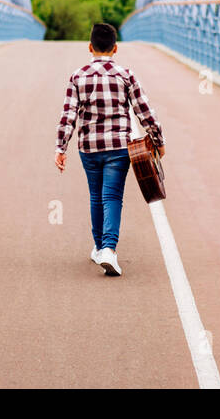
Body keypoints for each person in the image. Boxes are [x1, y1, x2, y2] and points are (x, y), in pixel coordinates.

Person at [54, 22, 164, 277]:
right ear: (116, 48)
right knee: (112, 196)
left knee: (96, 195)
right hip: (118, 147)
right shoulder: (125, 74)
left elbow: (68, 115)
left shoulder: (77, 76)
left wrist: (61, 148)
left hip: (89, 147)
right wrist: (158, 140)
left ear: (90, 47)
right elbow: (144, 111)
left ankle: (98, 247)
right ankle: (109, 250)